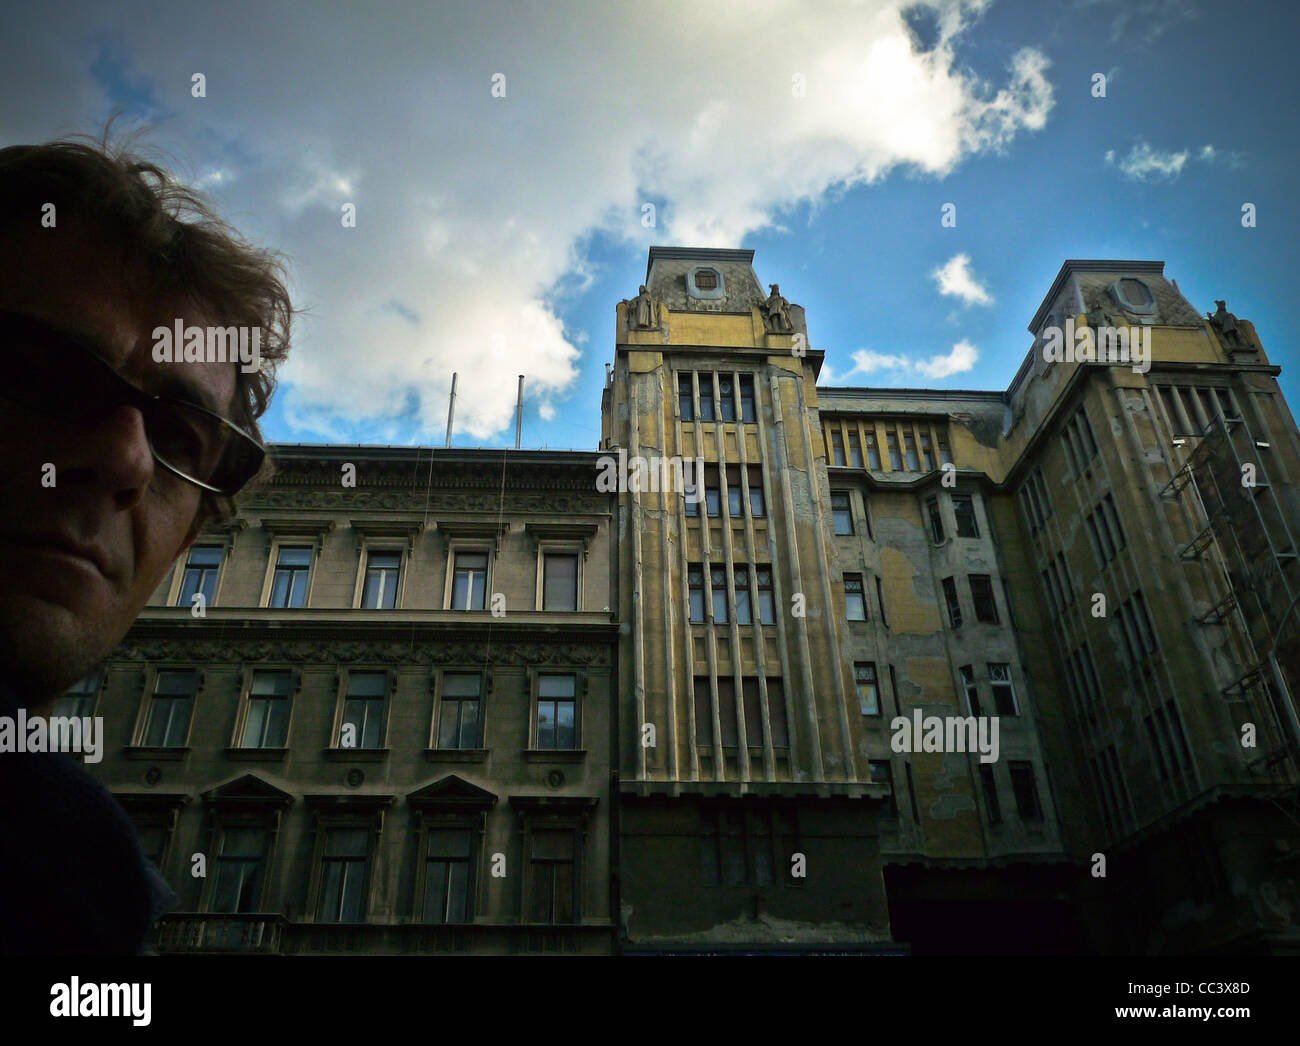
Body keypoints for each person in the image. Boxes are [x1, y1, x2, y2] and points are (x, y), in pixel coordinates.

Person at [0, 132, 293, 954]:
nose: (127, 459)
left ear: (191, 533)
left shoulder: (74, 888)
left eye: (177, 435)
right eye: (38, 372)